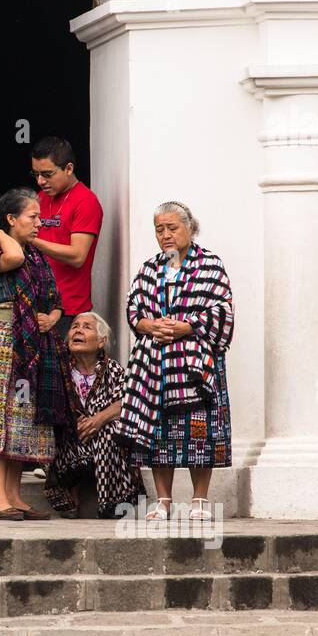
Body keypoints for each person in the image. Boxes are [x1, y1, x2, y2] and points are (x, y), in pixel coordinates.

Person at [120, 202, 234, 522]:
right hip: (156, 364)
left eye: (173, 228)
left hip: (196, 365)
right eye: (160, 229)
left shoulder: (210, 264)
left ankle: (199, 499)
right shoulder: (149, 268)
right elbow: (134, 312)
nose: (166, 235)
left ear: (189, 228)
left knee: (201, 430)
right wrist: (150, 326)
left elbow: (222, 312)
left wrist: (188, 327)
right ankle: (164, 500)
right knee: (160, 434)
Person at [0, 188, 68, 520]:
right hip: (1, 341)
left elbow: (56, 303)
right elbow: (13, 258)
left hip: (30, 345)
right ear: (12, 219)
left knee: (21, 417)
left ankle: (14, 496)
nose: (40, 223)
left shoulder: (39, 256)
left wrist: (49, 319)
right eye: (33, 217)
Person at [43, 312, 145, 518]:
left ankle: (113, 502)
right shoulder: (58, 368)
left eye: (87, 327)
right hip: (70, 446)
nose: (78, 330)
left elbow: (127, 401)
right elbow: (47, 403)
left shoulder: (113, 370)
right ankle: (68, 492)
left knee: (110, 429)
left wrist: (98, 420)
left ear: (101, 341)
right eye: (74, 326)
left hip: (104, 446)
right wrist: (72, 422)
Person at [29, 136, 104, 338]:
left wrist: (32, 240)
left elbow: (77, 256)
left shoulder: (86, 201)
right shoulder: (41, 197)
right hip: (39, 305)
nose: (40, 181)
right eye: (36, 174)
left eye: (47, 174)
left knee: (62, 370)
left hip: (69, 310)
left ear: (68, 169)